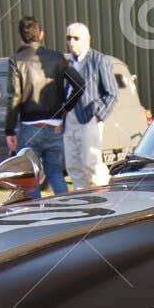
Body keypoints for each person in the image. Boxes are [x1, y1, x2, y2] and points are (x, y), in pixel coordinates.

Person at [4, 16, 82, 197]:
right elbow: (79, 84)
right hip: (55, 125)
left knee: (31, 178)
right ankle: (67, 211)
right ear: (41, 35)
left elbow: (14, 97)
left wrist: (9, 130)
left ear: (20, 38)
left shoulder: (16, 60)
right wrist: (66, 107)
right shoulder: (57, 57)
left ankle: (37, 217)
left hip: (30, 126)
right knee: (55, 174)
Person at [62, 22, 119, 189]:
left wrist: (97, 115)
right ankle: (84, 202)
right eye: (68, 38)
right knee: (73, 166)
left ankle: (109, 197)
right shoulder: (66, 62)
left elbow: (112, 93)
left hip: (88, 118)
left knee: (91, 164)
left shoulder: (99, 60)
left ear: (87, 39)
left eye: (76, 38)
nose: (71, 41)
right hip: (69, 120)